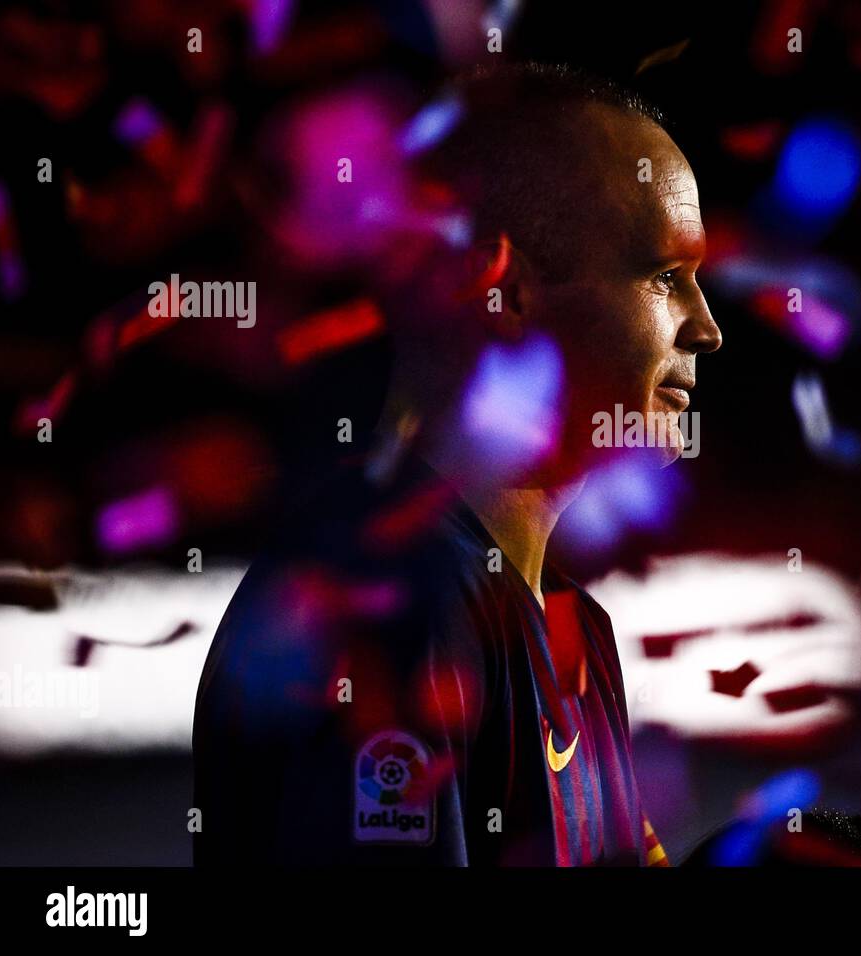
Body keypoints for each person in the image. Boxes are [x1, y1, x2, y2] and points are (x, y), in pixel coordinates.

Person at [192, 62, 721, 865]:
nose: (707, 329)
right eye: (665, 277)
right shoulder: (392, 604)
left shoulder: (571, 625)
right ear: (500, 293)